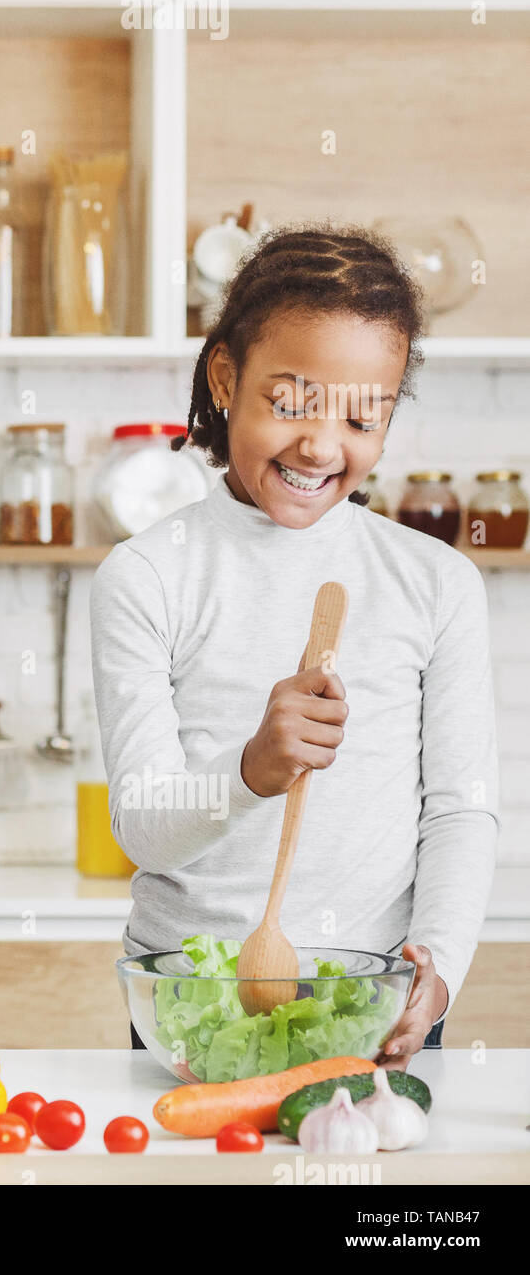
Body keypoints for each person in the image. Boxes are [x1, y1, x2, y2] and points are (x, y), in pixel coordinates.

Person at [90, 226, 498, 1066]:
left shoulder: (436, 582)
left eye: (362, 416)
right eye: (291, 402)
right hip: (191, 996)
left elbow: (458, 808)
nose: (321, 446)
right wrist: (251, 774)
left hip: (376, 993)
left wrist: (440, 966)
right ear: (227, 378)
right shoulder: (147, 576)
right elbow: (142, 829)